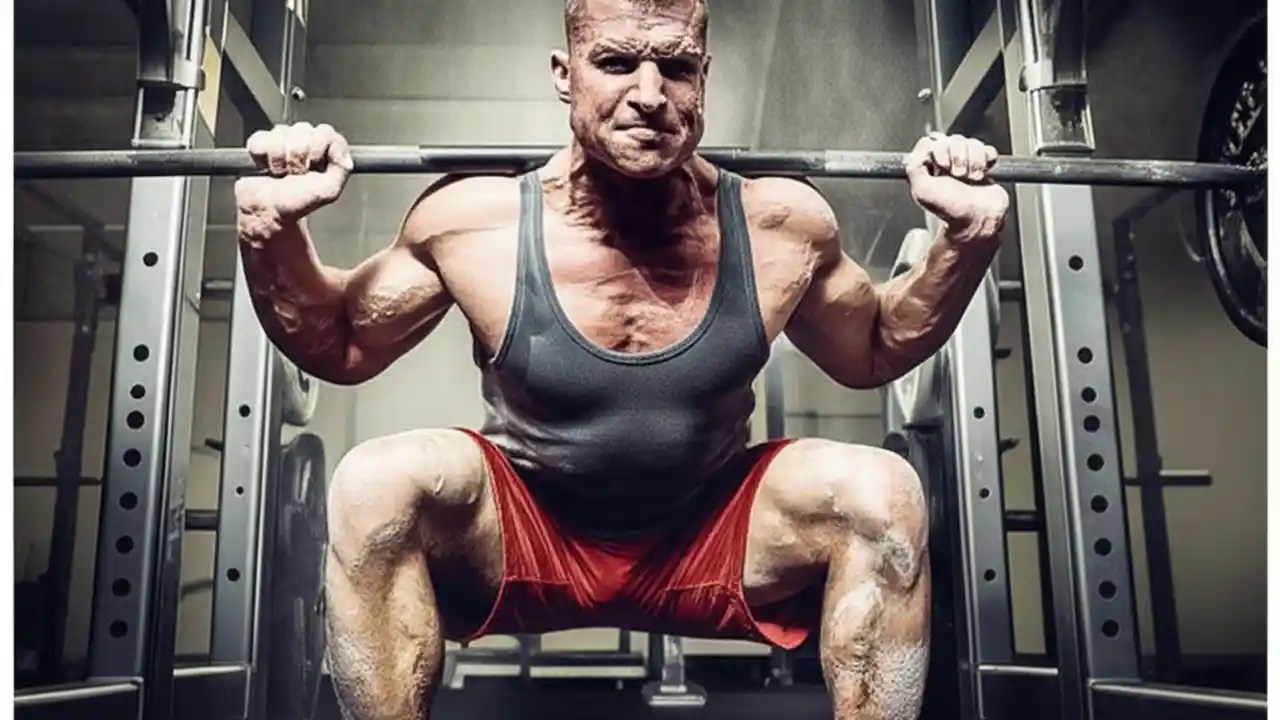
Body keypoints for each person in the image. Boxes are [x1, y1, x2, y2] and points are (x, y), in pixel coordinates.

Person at [234, 0, 1008, 717]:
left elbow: (872, 347)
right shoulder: (474, 221)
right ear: (564, 76)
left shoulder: (781, 222)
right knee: (374, 482)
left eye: (676, 66)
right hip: (526, 525)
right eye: (615, 63)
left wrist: (964, 244)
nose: (649, 93)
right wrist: (272, 233)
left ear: (703, 77)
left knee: (886, 492)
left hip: (711, 528)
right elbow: (338, 343)